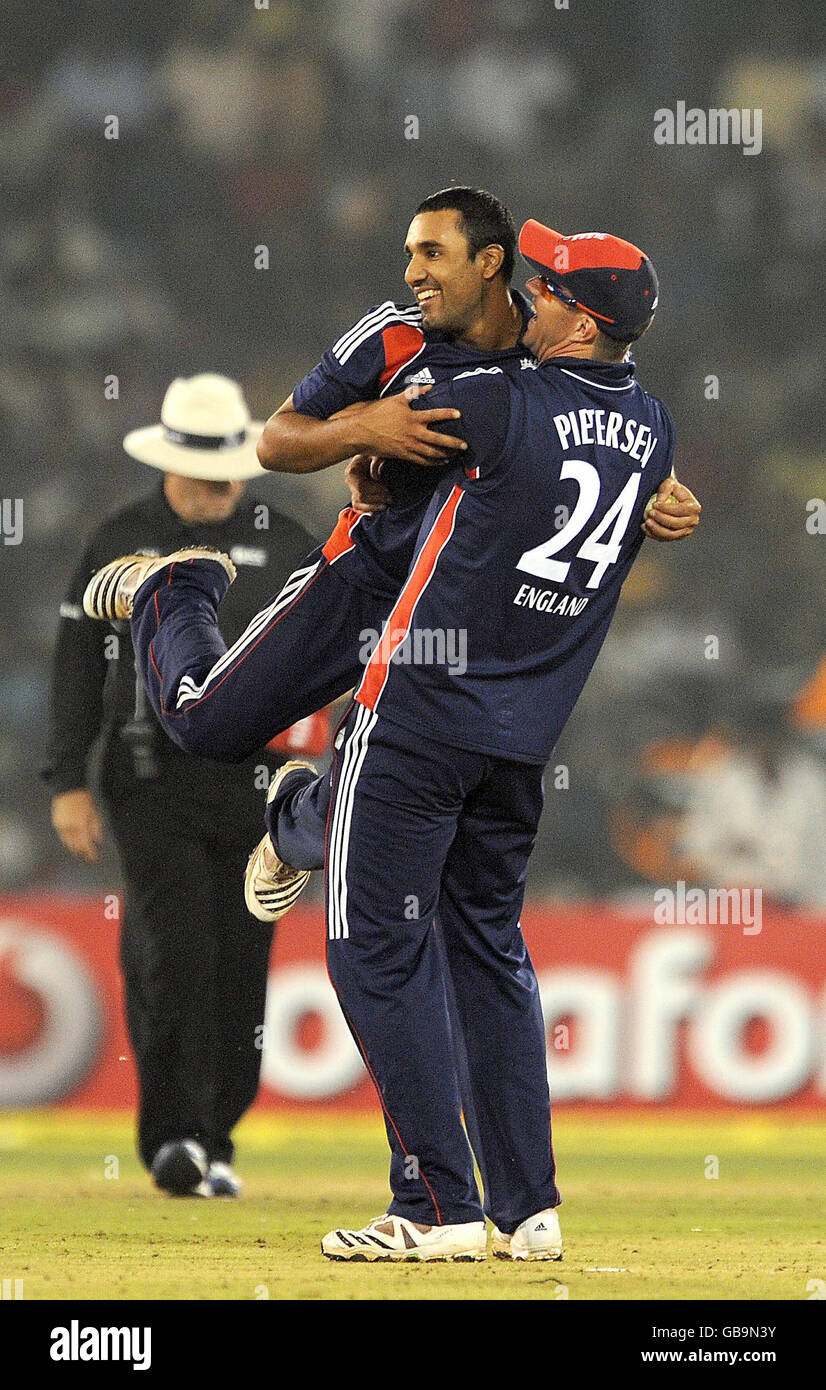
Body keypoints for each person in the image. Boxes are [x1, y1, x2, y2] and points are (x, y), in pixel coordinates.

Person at [83, 219, 692, 1260]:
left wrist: (372, 446)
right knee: (485, 950)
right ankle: (527, 1208)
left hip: (421, 695)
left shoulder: (498, 395)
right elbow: (284, 440)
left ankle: (436, 1205)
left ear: (566, 312)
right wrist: (642, 493)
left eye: (543, 285)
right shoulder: (653, 428)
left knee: (373, 949)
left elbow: (355, 440)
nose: (416, 276)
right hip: (510, 724)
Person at [43, 374, 319, 1199]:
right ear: (169, 466)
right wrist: (67, 780)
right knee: (176, 956)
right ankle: (174, 1139)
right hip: (150, 780)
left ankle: (218, 1135)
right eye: (206, 476)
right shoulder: (120, 541)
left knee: (243, 961)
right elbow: (73, 668)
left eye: (231, 473)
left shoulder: (289, 535)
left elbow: (331, 659)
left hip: (259, 787)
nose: (221, 491)